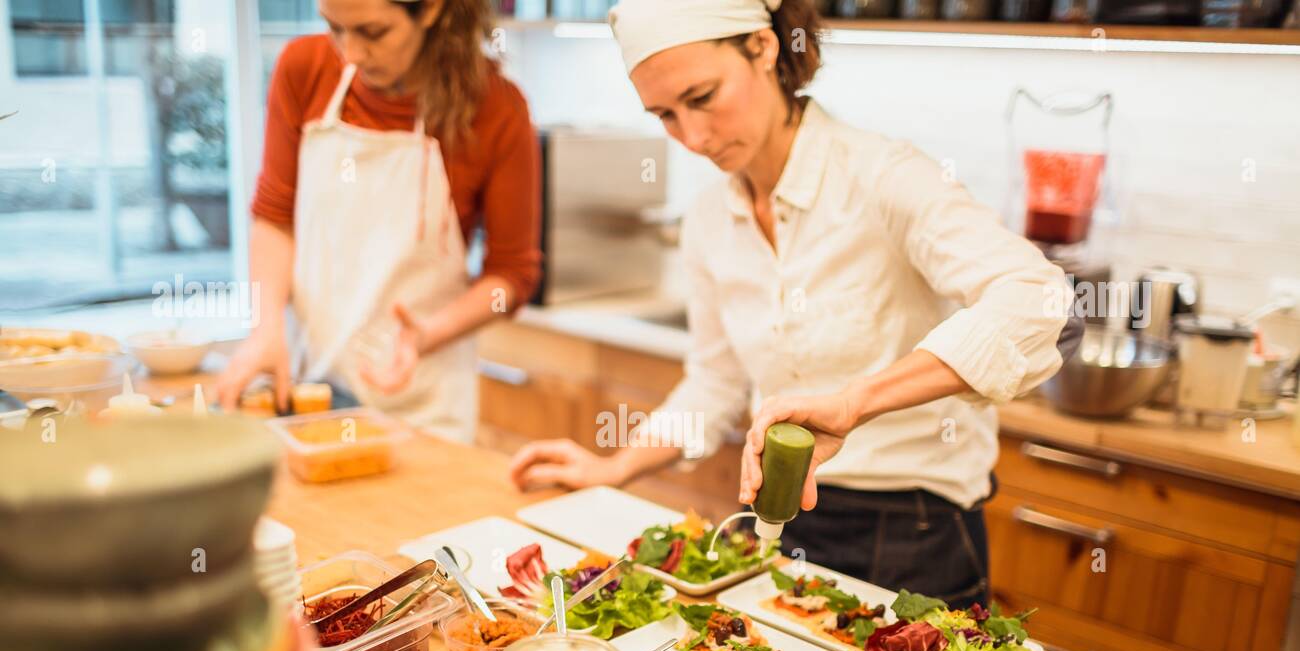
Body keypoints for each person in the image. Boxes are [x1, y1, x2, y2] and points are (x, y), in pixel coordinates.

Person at [509, 0, 1079, 608]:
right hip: (779, 520)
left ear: (762, 47)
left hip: (915, 533)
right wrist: (611, 469)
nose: (693, 137)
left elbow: (1037, 298)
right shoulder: (709, 220)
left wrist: (854, 402)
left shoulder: (885, 177)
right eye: (665, 116)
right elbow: (717, 383)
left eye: (702, 97)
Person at [215, 0, 540, 442]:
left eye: (373, 32)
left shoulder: (495, 108)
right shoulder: (304, 69)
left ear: (430, 11)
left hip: (421, 410)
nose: (350, 53)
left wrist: (426, 334)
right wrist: (266, 327)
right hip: (310, 394)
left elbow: (512, 275)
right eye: (334, 28)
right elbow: (275, 216)